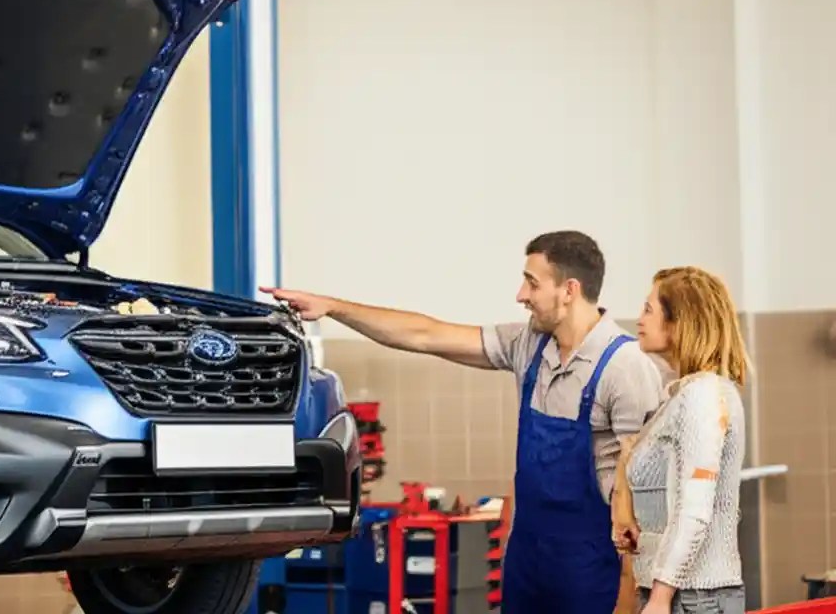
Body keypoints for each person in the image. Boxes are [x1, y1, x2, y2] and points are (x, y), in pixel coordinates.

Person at [262, 230, 665, 614]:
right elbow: (424, 335)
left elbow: (648, 496)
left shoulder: (625, 366)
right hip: (528, 561)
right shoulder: (528, 346)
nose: (520, 295)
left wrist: (633, 594)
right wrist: (333, 308)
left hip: (594, 568)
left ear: (570, 290)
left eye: (532, 283)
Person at [611, 267, 748, 614]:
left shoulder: (703, 394)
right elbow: (671, 500)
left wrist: (659, 598)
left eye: (648, 309)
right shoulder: (679, 395)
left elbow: (695, 511)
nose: (639, 319)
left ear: (678, 322)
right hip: (676, 593)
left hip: (693, 597)